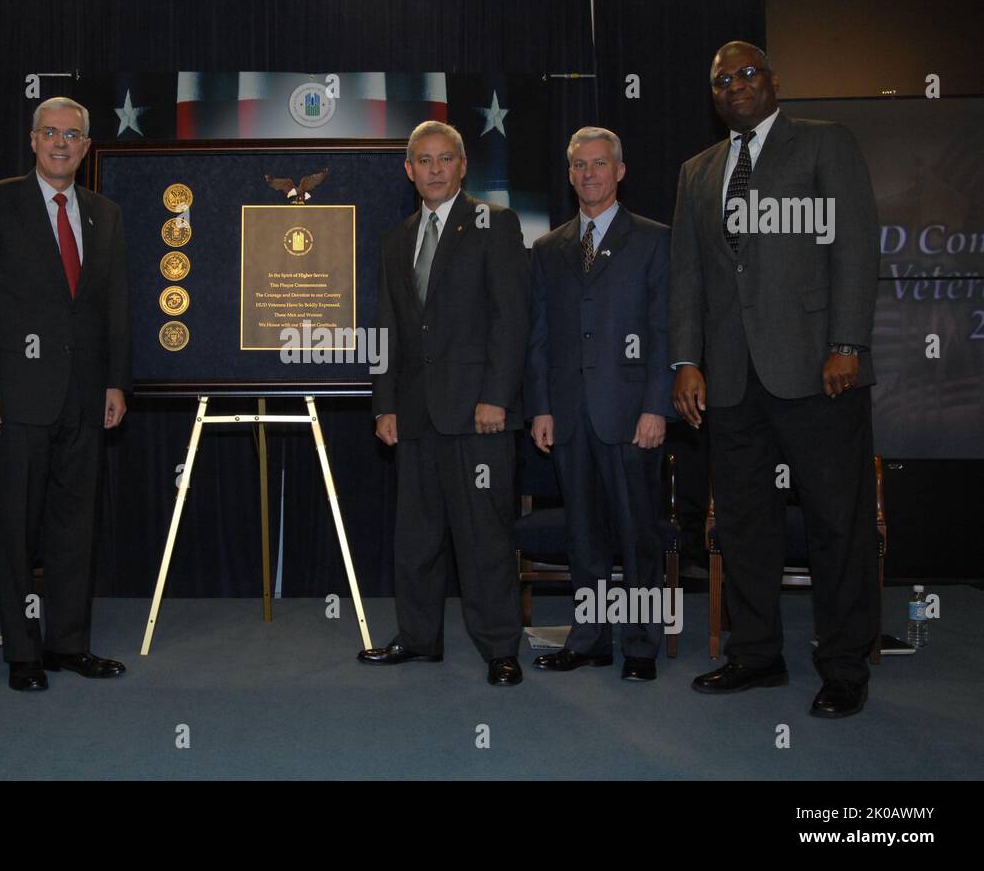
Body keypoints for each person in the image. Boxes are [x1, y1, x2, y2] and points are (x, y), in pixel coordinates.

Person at [670, 41, 879, 717]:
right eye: (721, 79)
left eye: (746, 73)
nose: (734, 85)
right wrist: (686, 360)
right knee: (743, 523)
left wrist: (847, 341)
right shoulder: (696, 172)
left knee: (834, 522)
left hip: (818, 369)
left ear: (772, 81)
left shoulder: (824, 143)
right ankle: (755, 653)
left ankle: (844, 664)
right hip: (730, 380)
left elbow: (854, 245)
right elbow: (688, 278)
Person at [0, 97, 131, 692]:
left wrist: (116, 380)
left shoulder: (104, 213)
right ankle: (22, 652)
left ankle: (68, 645)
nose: (62, 143)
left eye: (74, 135)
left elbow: (114, 307)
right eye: (51, 133)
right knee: (16, 528)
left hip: (85, 398)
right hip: (14, 395)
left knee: (74, 527)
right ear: (32, 140)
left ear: (88, 147)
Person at [361, 121, 530, 686]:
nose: (434, 169)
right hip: (414, 416)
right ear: (409, 170)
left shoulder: (495, 224)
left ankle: (499, 647)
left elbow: (511, 319)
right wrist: (384, 405)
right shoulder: (395, 238)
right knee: (416, 539)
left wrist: (495, 397)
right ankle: (417, 639)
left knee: (484, 537)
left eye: (445, 159)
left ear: (462, 166)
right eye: (423, 160)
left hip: (478, 415)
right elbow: (385, 327)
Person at [525, 127, 671, 682]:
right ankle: (589, 640)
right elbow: (538, 338)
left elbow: (665, 331)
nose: (589, 173)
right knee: (582, 537)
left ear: (620, 170)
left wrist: (657, 406)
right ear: (569, 175)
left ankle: (640, 646)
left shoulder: (656, 240)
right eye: (579, 166)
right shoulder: (548, 249)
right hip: (567, 417)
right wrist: (540, 407)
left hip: (634, 417)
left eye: (600, 164)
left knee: (638, 537)